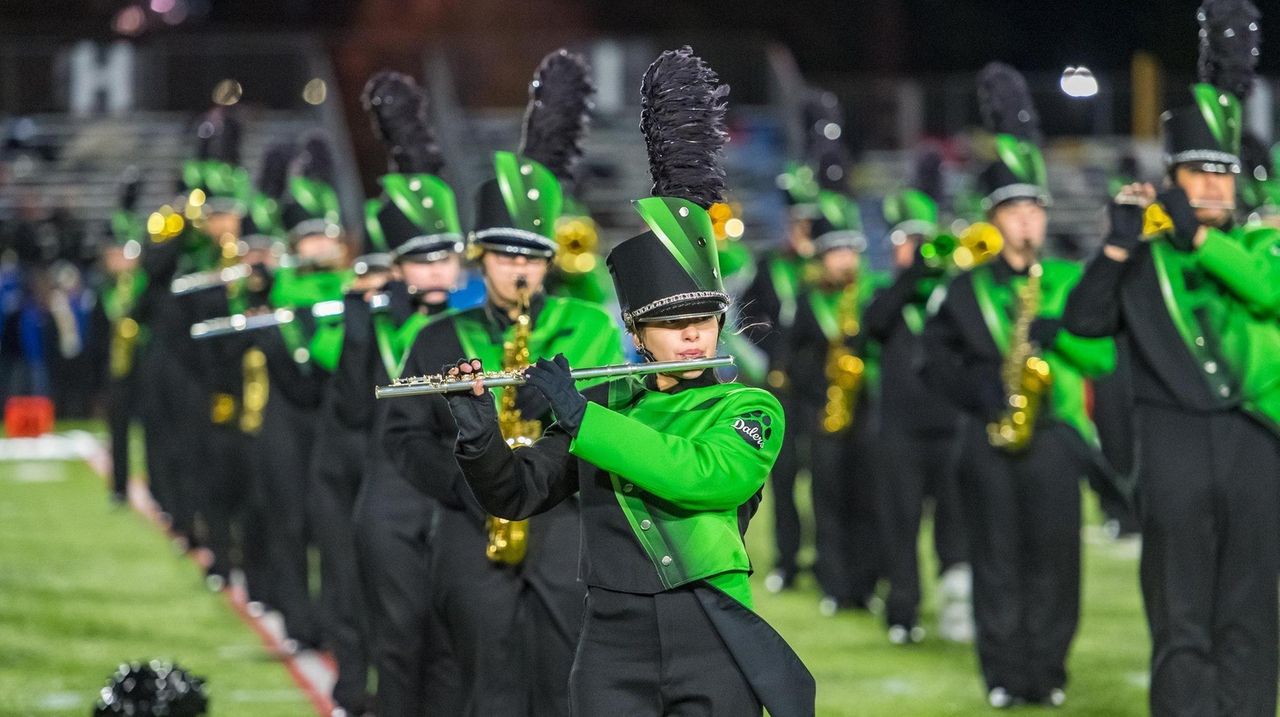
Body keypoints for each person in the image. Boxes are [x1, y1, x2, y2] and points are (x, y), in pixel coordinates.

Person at [441, 46, 814, 717]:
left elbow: (702, 476)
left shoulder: (748, 406)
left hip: (712, 629)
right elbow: (521, 492)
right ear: (638, 335)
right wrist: (477, 435)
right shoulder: (610, 400)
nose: (694, 334)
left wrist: (582, 421)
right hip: (612, 640)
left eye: (705, 317)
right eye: (674, 323)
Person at [383, 48, 624, 716]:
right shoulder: (436, 336)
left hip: (565, 525)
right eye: (506, 254)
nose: (520, 267)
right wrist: (465, 485)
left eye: (533, 255)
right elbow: (403, 437)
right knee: (481, 681)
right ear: (480, 257)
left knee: (564, 678)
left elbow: (613, 423)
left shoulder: (589, 327)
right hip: (469, 527)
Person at [1063, 3, 1280, 712]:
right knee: (1180, 609)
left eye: (1224, 173)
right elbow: (1084, 321)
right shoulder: (1146, 254)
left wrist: (1196, 237)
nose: (1215, 186)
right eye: (1199, 173)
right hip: (1173, 441)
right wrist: (1120, 244)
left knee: (1251, 606)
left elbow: (1270, 290)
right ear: (1175, 177)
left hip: (1253, 440)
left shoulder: (1257, 243)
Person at [922, 62, 1115, 708]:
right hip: (986, 431)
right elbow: (934, 360)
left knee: (1057, 558)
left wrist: (1057, 333)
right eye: (1015, 209)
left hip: (1055, 433)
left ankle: (1048, 669)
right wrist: (979, 390)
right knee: (996, 557)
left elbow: (1103, 356)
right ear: (995, 216)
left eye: (1035, 207)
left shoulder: (1063, 280)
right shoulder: (965, 287)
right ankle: (1004, 672)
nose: (1028, 220)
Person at [343, 70, 467, 717]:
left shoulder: (475, 319)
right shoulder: (376, 321)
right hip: (390, 502)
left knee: (450, 644)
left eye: (446, 254)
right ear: (396, 264)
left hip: (455, 499)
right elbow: (347, 408)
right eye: (421, 258)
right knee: (398, 642)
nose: (438, 269)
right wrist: (363, 324)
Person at [863, 187, 971, 644]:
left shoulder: (952, 295)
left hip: (951, 428)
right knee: (900, 524)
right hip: (900, 432)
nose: (918, 249)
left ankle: (957, 609)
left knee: (957, 528)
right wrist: (911, 277)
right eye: (908, 240)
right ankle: (902, 612)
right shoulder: (885, 292)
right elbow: (874, 326)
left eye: (923, 240)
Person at [783, 189, 889, 616]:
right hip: (823, 412)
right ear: (821, 258)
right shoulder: (807, 301)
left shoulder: (871, 297)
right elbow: (790, 357)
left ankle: (867, 584)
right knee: (828, 501)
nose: (845, 259)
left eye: (850, 250)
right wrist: (821, 380)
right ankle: (834, 582)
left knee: (869, 499)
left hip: (866, 414)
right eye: (836, 251)